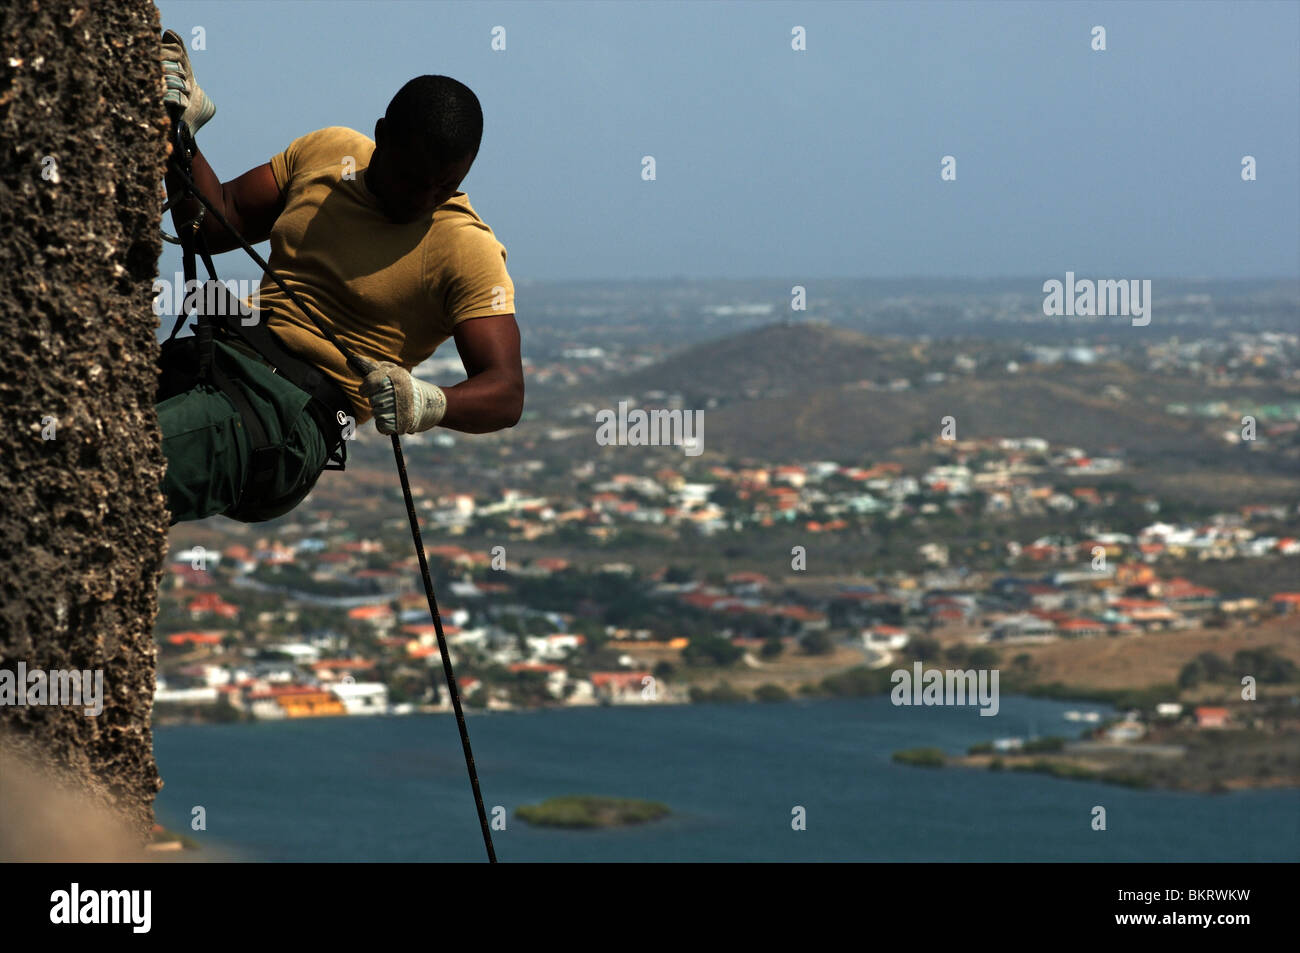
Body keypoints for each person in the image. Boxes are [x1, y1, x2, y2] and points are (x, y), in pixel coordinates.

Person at [157, 30, 523, 524]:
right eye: (413, 179)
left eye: (447, 186)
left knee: (107, 463)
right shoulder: (329, 154)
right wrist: (177, 132)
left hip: (290, 419)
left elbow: (506, 393)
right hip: (222, 359)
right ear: (382, 137)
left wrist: (430, 402)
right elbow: (216, 219)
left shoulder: (466, 249)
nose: (425, 199)